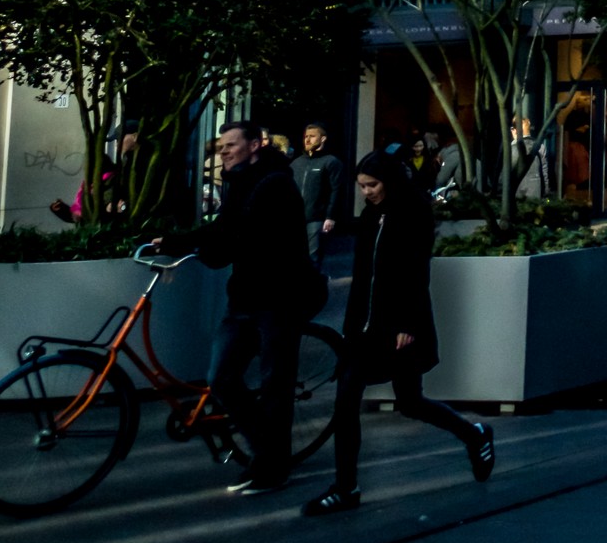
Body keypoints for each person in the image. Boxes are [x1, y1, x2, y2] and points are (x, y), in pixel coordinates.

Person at [302, 152, 493, 516]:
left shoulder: (413, 211)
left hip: (399, 327)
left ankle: (474, 435)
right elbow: (363, 274)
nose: (366, 192)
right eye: (361, 186)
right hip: (364, 328)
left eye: (372, 185)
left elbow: (416, 270)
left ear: (389, 181)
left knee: (410, 402)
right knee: (346, 402)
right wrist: (351, 325)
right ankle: (346, 488)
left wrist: (408, 323)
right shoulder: (371, 214)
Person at [193, 119, 327, 495]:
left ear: (255, 145)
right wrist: (178, 241)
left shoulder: (275, 183)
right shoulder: (239, 180)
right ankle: (264, 451)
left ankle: (271, 466)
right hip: (246, 296)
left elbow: (239, 233)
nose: (224, 151)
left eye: (231, 145)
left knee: (275, 384)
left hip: (279, 298)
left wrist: (201, 246)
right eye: (221, 146)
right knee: (221, 378)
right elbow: (225, 227)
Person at [292, 125, 348, 265]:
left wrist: (330, 216)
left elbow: (337, 190)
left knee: (313, 258)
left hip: (317, 218)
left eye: (312, 136)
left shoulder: (331, 162)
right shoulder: (296, 163)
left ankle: (311, 285)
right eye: (306, 136)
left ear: (322, 139)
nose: (307, 140)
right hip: (295, 219)